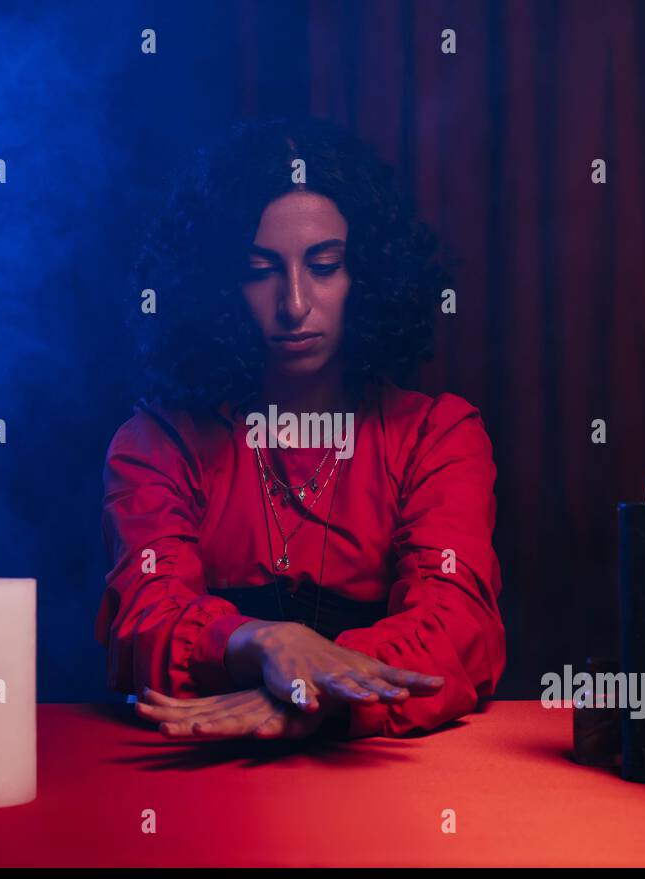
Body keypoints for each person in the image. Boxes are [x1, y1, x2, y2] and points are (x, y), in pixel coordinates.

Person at [96, 116, 504, 740]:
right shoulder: (158, 444)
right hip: (200, 792)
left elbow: (457, 624)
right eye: (260, 269)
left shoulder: (438, 435)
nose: (293, 304)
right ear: (216, 285)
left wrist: (303, 699)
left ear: (366, 275)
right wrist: (261, 641)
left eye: (325, 264)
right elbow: (146, 617)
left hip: (388, 794)